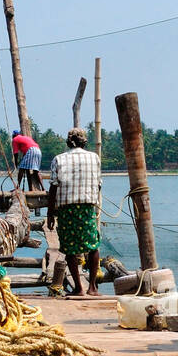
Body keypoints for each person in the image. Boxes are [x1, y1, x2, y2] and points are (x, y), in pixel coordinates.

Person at [46, 127, 102, 296]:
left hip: (67, 208)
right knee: (93, 245)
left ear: (68, 142)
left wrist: (50, 213)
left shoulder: (59, 159)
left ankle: (78, 287)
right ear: (84, 142)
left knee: (70, 247)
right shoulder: (94, 158)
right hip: (87, 206)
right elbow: (98, 184)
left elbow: (53, 188)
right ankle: (92, 287)